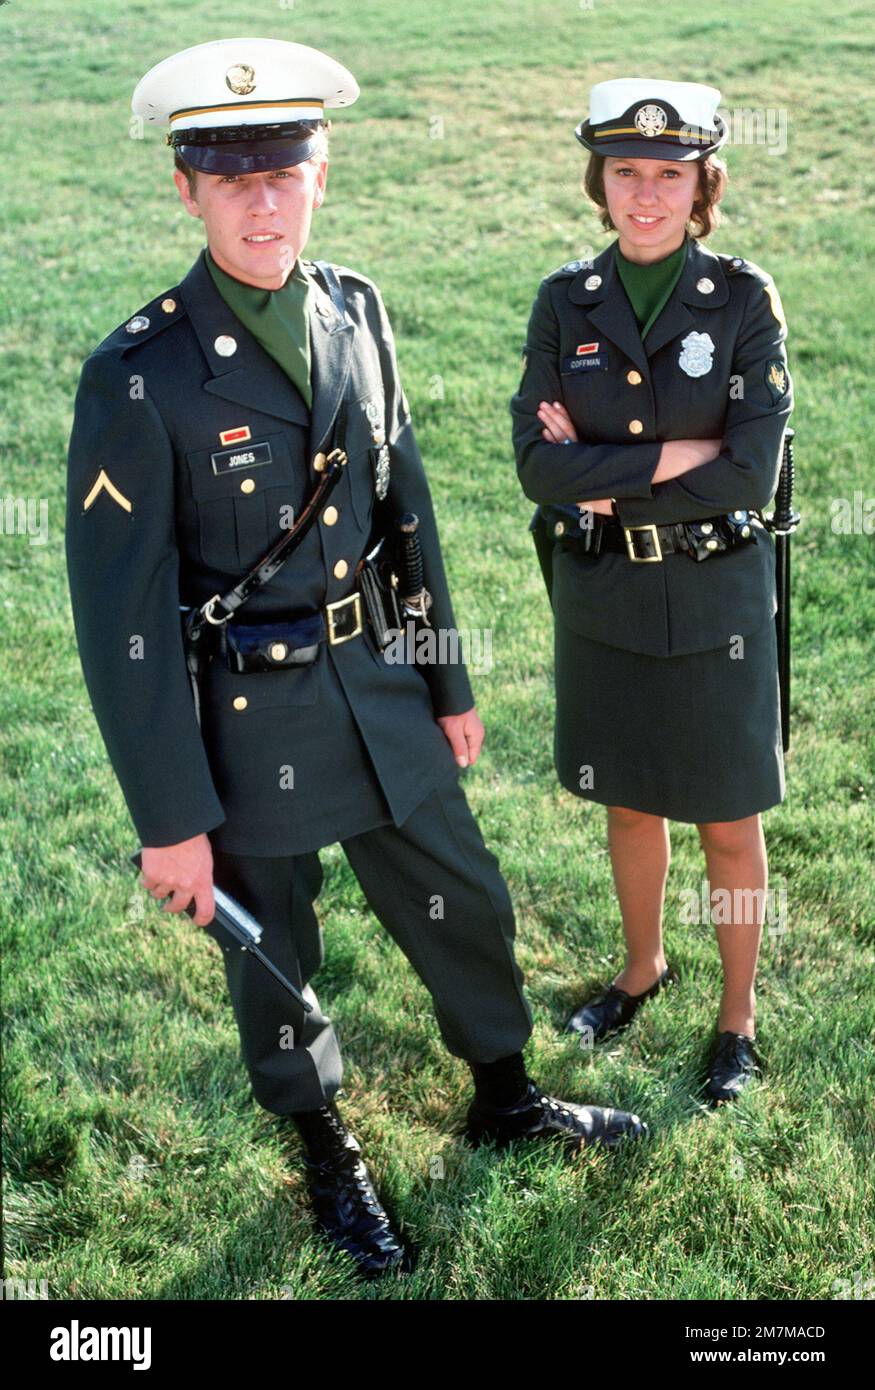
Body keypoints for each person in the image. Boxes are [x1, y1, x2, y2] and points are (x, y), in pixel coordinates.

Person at [65, 40, 647, 1281]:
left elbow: (405, 511)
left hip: (376, 684)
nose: (261, 201)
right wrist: (171, 819)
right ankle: (327, 1149)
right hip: (243, 720)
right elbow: (120, 626)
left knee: (465, 901)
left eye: (282, 170)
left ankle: (504, 1096)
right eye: (232, 180)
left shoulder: (356, 309)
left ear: (319, 171)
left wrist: (444, 678)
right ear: (187, 191)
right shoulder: (136, 374)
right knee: (275, 950)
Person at [511, 78, 793, 1106]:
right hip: (604, 596)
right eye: (624, 170)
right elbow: (533, 469)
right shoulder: (564, 301)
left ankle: (735, 1017)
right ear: (599, 178)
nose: (643, 193)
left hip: (716, 596)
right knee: (626, 801)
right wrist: (677, 448)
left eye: (666, 173)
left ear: (699, 182)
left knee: (726, 815)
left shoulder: (739, 298)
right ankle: (640, 968)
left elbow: (746, 475)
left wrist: (597, 462)